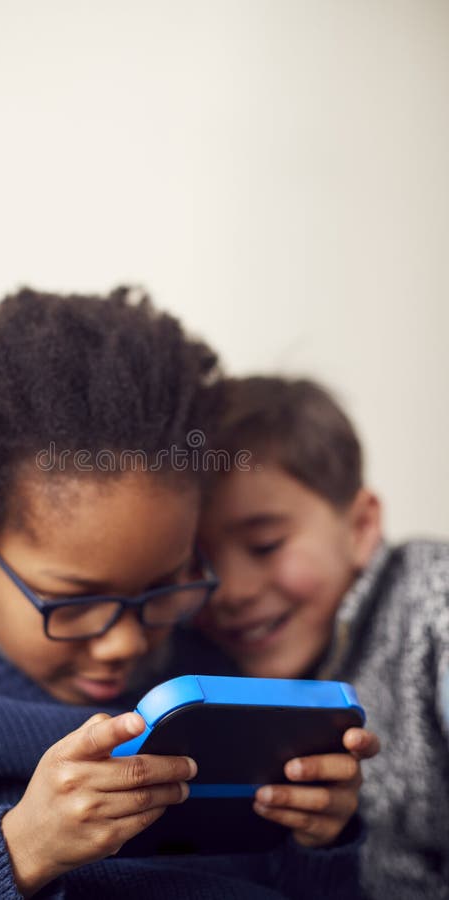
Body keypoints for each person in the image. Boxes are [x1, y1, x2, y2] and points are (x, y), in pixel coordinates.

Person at [0, 293, 369, 900]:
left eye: (163, 588)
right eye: (73, 602)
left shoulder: (208, 675)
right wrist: (21, 850)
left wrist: (319, 839)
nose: (124, 644)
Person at [196, 375, 449, 900]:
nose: (229, 592)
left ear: (360, 526)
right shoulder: (199, 662)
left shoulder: (432, 600)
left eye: (265, 545)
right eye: (196, 565)